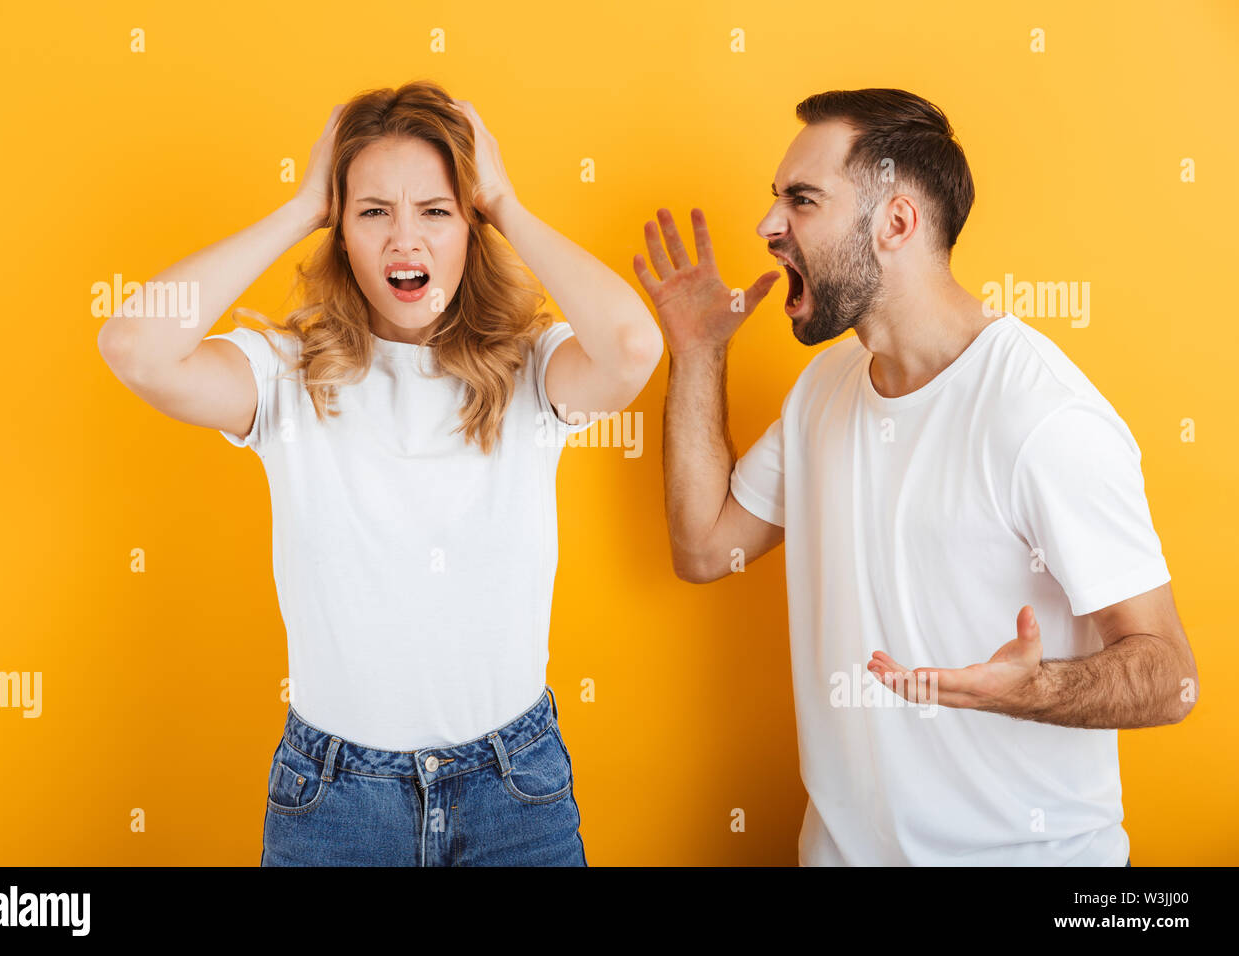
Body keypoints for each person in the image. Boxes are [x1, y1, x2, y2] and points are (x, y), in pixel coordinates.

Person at [97, 80, 662, 866]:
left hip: (514, 791)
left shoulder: (533, 368)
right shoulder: (286, 375)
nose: (407, 241)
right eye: (372, 212)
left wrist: (504, 198)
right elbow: (133, 347)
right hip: (334, 801)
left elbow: (634, 348)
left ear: (472, 226)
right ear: (339, 233)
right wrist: (301, 206)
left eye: (436, 210)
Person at [636, 88, 1198, 866]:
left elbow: (1170, 679)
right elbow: (704, 549)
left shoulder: (1042, 416)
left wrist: (1033, 690)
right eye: (776, 201)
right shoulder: (826, 390)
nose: (768, 227)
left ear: (895, 222)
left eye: (801, 200)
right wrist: (699, 351)